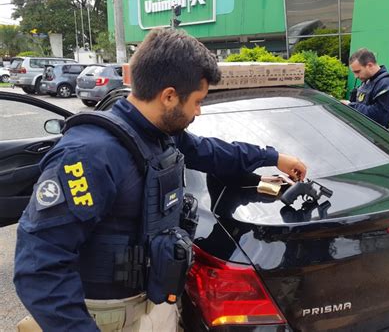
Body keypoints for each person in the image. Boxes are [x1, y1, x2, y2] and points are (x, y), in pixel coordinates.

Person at [13, 28, 307, 332]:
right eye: (196, 101)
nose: (198, 111)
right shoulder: (89, 156)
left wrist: (272, 157)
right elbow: (39, 267)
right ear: (169, 96)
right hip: (106, 318)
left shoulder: (158, 134)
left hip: (155, 302)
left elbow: (212, 152)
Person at [341, 48, 389, 128]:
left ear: (369, 65)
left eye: (357, 72)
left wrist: (351, 106)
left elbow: (380, 116)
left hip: (373, 136)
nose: (356, 76)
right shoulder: (368, 80)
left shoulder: (387, 83)